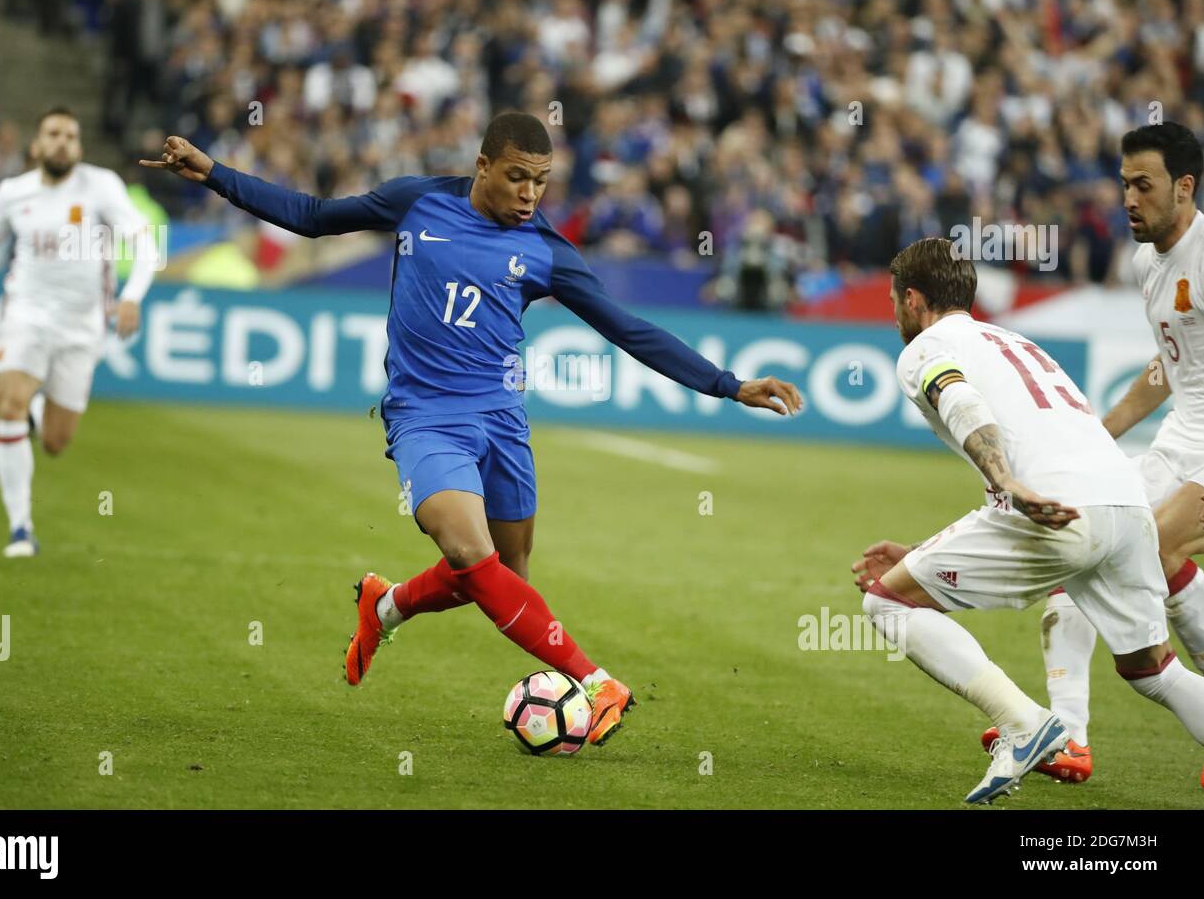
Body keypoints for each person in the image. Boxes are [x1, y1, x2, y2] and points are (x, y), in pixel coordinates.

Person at [141, 111, 802, 745]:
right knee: (470, 556)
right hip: (426, 417)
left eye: (542, 181)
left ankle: (387, 607)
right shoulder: (417, 203)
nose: (530, 194)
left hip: (502, 422)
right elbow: (314, 218)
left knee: (505, 573)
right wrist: (216, 173)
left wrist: (727, 383)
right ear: (483, 165)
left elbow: (626, 327)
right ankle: (594, 682)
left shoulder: (544, 249)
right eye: (517, 176)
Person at [852, 236, 1204, 803]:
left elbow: (957, 399)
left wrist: (1007, 481)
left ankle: (1022, 722)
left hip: (1058, 510)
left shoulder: (926, 347)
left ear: (912, 299)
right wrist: (925, 550)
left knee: (886, 602)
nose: (897, 314)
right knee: (1152, 669)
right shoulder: (1015, 341)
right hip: (1126, 504)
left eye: (897, 301)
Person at [0, 107, 157, 557]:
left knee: (57, 442)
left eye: (71, 136)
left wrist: (133, 295)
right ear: (37, 144)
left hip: (83, 326)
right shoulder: (13, 193)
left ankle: (36, 416)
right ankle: (21, 529)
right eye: (54, 134)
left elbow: (143, 242)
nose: (62, 142)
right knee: (9, 404)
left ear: (79, 146)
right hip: (26, 313)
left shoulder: (101, 187)